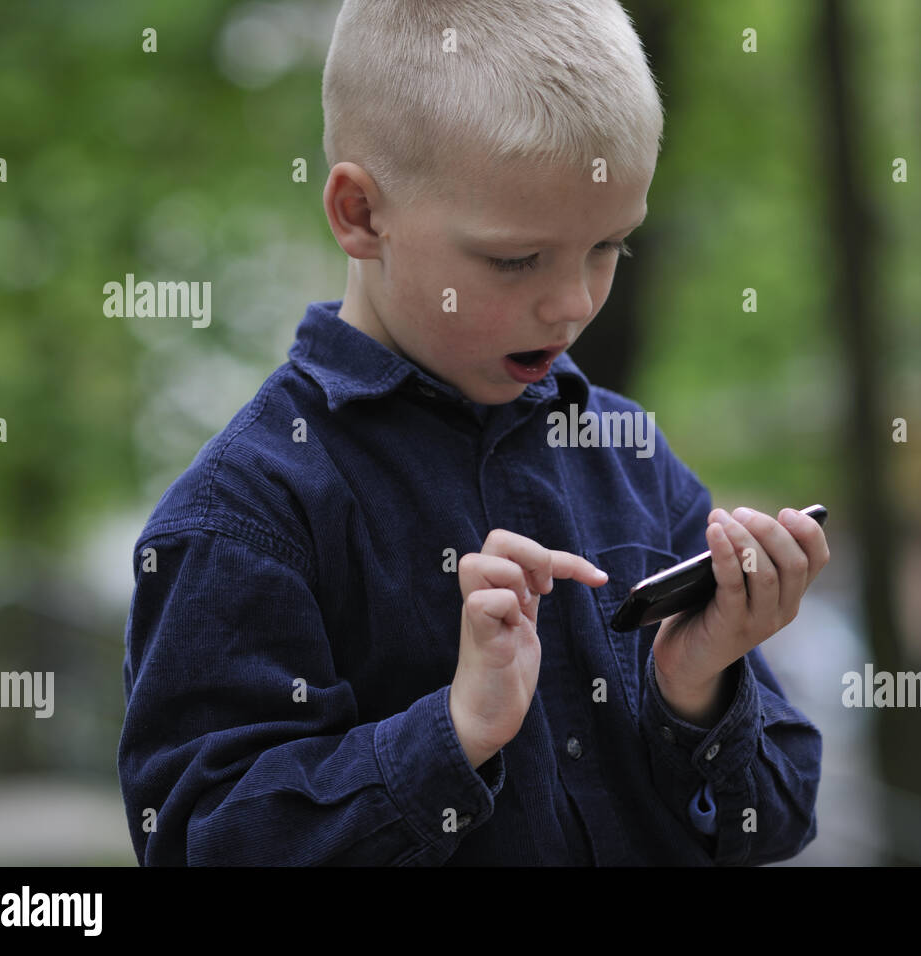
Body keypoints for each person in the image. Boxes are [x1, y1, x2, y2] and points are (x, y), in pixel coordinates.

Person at [117, 0, 829, 866]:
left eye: (610, 247)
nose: (573, 304)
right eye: (515, 259)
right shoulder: (247, 513)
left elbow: (781, 818)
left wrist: (697, 688)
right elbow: (198, 845)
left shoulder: (633, 460)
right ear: (360, 214)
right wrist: (453, 735)